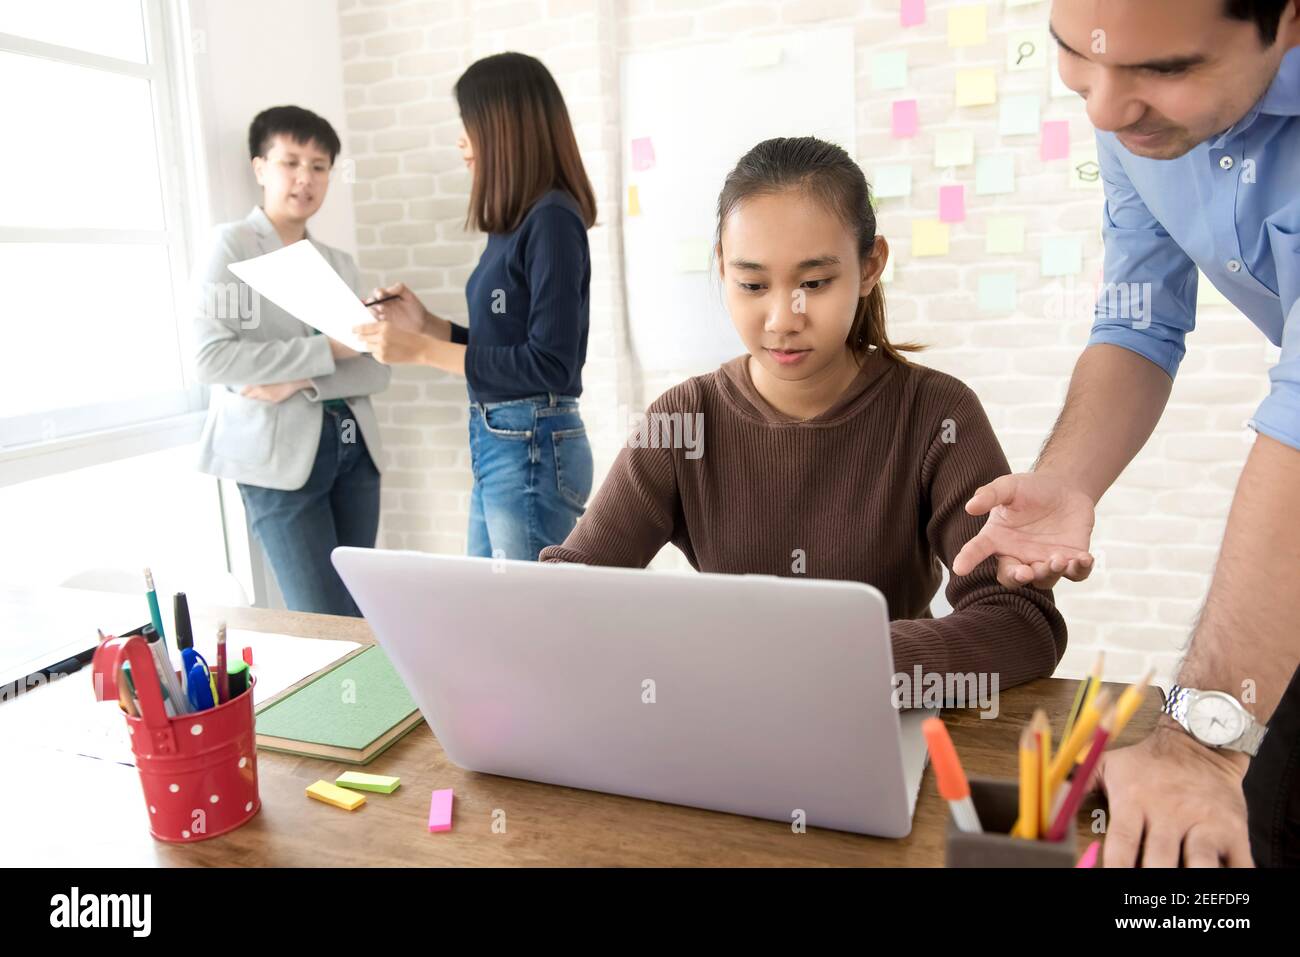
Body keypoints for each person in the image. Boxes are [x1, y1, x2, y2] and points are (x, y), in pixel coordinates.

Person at [953, 0, 1300, 866]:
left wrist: (1201, 743)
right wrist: (1070, 477)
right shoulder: (1130, 104)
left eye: (1166, 71)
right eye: (1075, 55)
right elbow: (1139, 319)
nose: (1105, 109)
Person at [539, 136, 1067, 691]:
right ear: (722, 268)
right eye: (752, 284)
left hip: (879, 723)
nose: (782, 319)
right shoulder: (682, 421)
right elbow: (573, 591)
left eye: (814, 283)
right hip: (728, 721)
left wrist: (840, 661)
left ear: (870, 267)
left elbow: (1022, 625)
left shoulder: (936, 414)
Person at [355, 53, 598, 561]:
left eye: (469, 127)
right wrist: (430, 327)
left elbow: (548, 365)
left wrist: (420, 350)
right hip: (505, 442)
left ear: (505, 129)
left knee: (521, 625)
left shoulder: (553, 220)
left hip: (528, 445)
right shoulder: (516, 223)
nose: (461, 143)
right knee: (494, 618)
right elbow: (512, 350)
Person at [193, 105, 390, 616]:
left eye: (320, 166)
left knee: (361, 614)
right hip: (277, 462)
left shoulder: (338, 262)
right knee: (321, 618)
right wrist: (327, 352)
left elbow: (375, 367)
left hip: (353, 451)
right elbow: (213, 359)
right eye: (291, 162)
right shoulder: (233, 244)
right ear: (260, 168)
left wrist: (298, 378)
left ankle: (371, 699)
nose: (305, 178)